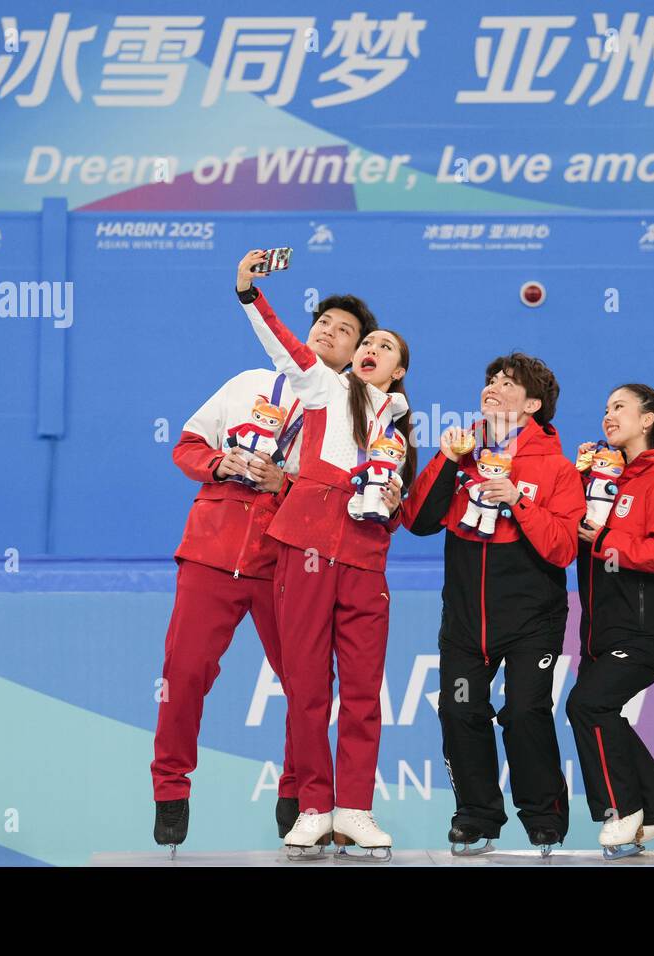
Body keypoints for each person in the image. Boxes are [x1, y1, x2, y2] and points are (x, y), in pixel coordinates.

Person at [150, 291, 374, 853]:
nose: (328, 331)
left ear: (353, 354)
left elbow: (347, 495)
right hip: (211, 551)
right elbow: (186, 445)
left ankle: (297, 795)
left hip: (288, 560)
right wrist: (219, 463)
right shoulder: (249, 382)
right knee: (184, 674)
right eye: (323, 321)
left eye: (344, 330)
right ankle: (170, 789)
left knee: (306, 684)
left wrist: (287, 485)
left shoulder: (350, 414)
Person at [236, 249, 417, 861]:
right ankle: (314, 808)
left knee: (364, 690)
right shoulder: (323, 385)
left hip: (366, 562)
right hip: (305, 547)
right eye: (370, 342)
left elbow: (407, 511)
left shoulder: (399, 429)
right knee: (308, 686)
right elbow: (287, 344)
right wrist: (250, 294)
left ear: (397, 370)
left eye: (386, 346)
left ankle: (355, 811)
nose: (372, 348)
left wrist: (395, 497)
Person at [400, 354, 583, 856]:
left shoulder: (559, 469)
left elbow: (564, 548)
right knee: (460, 710)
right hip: (464, 619)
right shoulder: (461, 454)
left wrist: (517, 502)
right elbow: (416, 521)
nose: (494, 387)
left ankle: (545, 818)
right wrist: (447, 459)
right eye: (491, 380)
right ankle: (476, 815)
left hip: (532, 617)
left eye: (509, 383)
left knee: (525, 712)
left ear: (533, 404)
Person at [568, 385, 654, 859]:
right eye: (605, 408)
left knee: (588, 706)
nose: (608, 416)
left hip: (649, 626)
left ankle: (622, 811)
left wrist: (605, 542)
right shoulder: (619, 480)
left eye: (620, 407)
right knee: (599, 709)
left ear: (649, 420)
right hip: (614, 624)